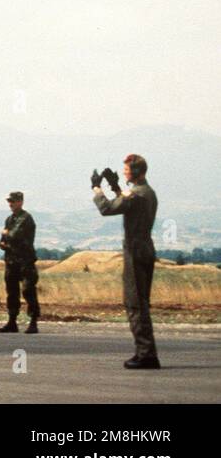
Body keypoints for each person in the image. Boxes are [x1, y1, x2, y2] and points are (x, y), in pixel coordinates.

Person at [92, 155, 160, 369]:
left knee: (135, 303)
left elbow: (107, 209)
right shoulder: (147, 192)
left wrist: (97, 189)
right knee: (142, 302)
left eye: (127, 170)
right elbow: (129, 203)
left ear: (136, 172)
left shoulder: (136, 195)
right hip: (146, 248)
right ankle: (146, 351)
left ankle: (146, 354)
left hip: (134, 251)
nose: (124, 172)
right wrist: (115, 187)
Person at [0, 191, 40, 333]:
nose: (11, 204)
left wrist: (5, 234)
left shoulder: (25, 218)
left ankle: (33, 321)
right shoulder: (10, 219)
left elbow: (15, 234)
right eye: (9, 201)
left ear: (20, 202)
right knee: (12, 292)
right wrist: (3, 241)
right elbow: (5, 239)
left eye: (13, 201)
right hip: (12, 260)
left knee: (28, 291)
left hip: (25, 260)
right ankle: (12, 321)